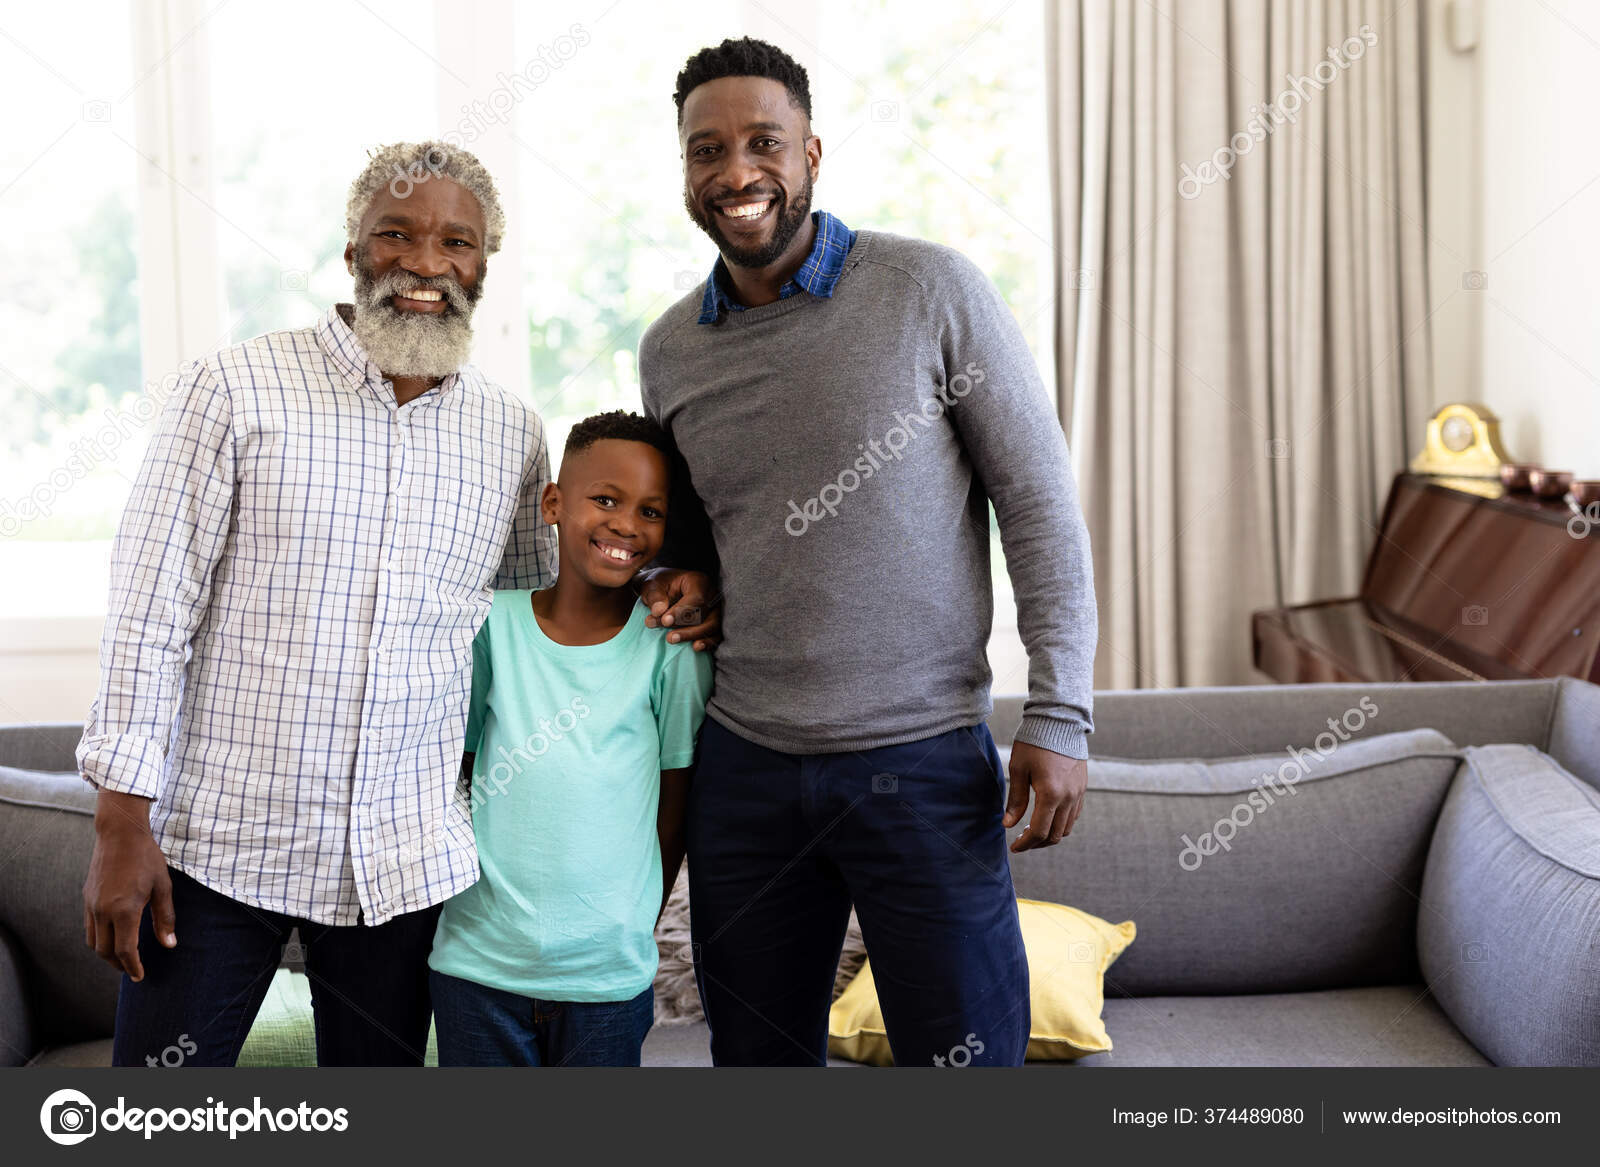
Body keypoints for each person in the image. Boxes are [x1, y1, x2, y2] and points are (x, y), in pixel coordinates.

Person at [78, 142, 717, 1068]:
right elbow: (150, 608)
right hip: (221, 847)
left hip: (403, 865)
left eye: (456, 241)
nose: (425, 263)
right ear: (352, 252)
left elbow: (541, 611)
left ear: (483, 267)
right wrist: (120, 819)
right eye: (396, 234)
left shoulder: (509, 432)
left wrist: (666, 578)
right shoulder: (231, 389)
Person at [638, 39, 1099, 1067]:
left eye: (764, 143)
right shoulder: (670, 351)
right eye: (707, 150)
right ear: (685, 170)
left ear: (810, 153)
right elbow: (703, 542)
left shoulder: (929, 289)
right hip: (744, 770)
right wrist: (676, 578)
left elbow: (1037, 505)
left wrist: (1061, 712)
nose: (736, 171)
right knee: (758, 1075)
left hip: (923, 762)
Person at [428, 411, 713, 1066]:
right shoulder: (490, 626)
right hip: (477, 967)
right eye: (605, 500)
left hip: (606, 979)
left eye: (650, 511)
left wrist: (628, 926)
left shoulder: (670, 647)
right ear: (554, 503)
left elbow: (675, 806)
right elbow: (452, 772)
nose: (626, 525)